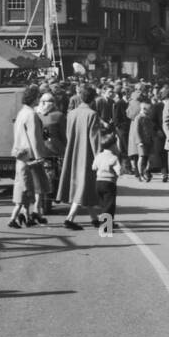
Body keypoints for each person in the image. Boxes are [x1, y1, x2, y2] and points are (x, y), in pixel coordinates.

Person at [58, 84, 103, 230]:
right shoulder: (92, 114)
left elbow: (67, 134)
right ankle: (70, 219)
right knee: (84, 186)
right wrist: (100, 158)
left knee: (85, 186)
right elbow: (94, 139)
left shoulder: (71, 114)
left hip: (73, 152)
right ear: (93, 99)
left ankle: (95, 219)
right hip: (87, 154)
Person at [9, 84, 49, 228]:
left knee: (24, 186)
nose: (40, 99)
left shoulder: (22, 112)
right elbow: (35, 137)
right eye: (39, 96)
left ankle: (26, 216)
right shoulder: (31, 114)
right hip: (30, 155)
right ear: (34, 98)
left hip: (20, 153)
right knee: (32, 187)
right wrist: (39, 156)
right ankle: (23, 216)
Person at [93, 132, 124, 220]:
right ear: (113, 146)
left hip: (98, 182)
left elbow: (94, 167)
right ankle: (106, 226)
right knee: (109, 205)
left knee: (103, 205)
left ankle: (109, 223)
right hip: (109, 183)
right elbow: (119, 171)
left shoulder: (98, 156)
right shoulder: (113, 158)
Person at [128, 94, 154, 182]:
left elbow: (151, 129)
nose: (149, 110)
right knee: (141, 157)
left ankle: (146, 171)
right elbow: (136, 131)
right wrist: (139, 141)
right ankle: (140, 174)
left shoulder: (148, 118)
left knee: (149, 158)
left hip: (148, 141)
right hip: (141, 141)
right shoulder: (138, 118)